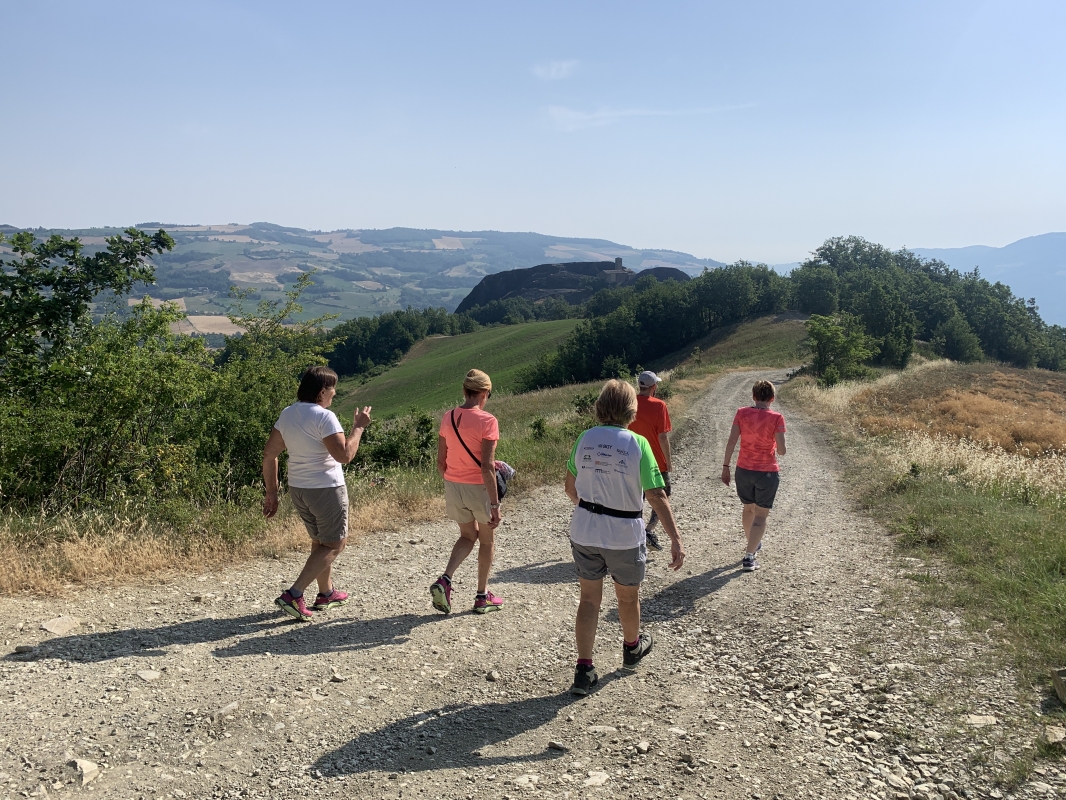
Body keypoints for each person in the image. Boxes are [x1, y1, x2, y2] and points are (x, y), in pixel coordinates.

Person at [564, 379, 685, 695]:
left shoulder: (584, 439)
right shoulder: (639, 444)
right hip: (624, 536)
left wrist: (592, 509)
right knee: (627, 598)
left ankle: (584, 670)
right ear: (631, 410)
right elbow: (656, 496)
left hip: (585, 530)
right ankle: (631, 649)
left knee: (589, 599)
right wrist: (675, 538)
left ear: (600, 406)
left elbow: (569, 487)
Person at [263, 365, 372, 621]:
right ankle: (294, 594)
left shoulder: (287, 414)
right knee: (335, 544)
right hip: (325, 488)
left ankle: (326, 592)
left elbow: (270, 455)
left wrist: (272, 492)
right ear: (322, 391)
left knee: (320, 542)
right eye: (333, 389)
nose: (334, 394)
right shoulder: (325, 416)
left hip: (299, 489)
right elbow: (344, 455)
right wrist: (358, 428)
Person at [430, 369, 504, 615]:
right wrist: (494, 505)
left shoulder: (447, 417)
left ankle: (446, 579)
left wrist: (454, 480)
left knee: (466, 536)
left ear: (464, 391)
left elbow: (441, 462)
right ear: (484, 393)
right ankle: (482, 596)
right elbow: (487, 466)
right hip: (478, 488)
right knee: (487, 540)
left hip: (453, 485)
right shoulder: (488, 421)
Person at [720, 379, 786, 572]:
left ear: (754, 396)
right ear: (772, 398)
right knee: (761, 515)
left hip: (743, 470)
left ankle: (753, 544)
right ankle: (749, 557)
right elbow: (781, 451)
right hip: (766, 471)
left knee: (748, 509)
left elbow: (732, 441)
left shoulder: (741, 413)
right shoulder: (777, 418)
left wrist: (725, 466)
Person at [627, 370, 673, 552]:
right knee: (662, 498)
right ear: (654, 386)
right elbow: (663, 437)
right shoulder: (659, 405)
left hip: (631, 461)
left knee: (634, 499)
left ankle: (633, 534)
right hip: (655, 463)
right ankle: (648, 531)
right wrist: (668, 461)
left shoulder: (629, 404)